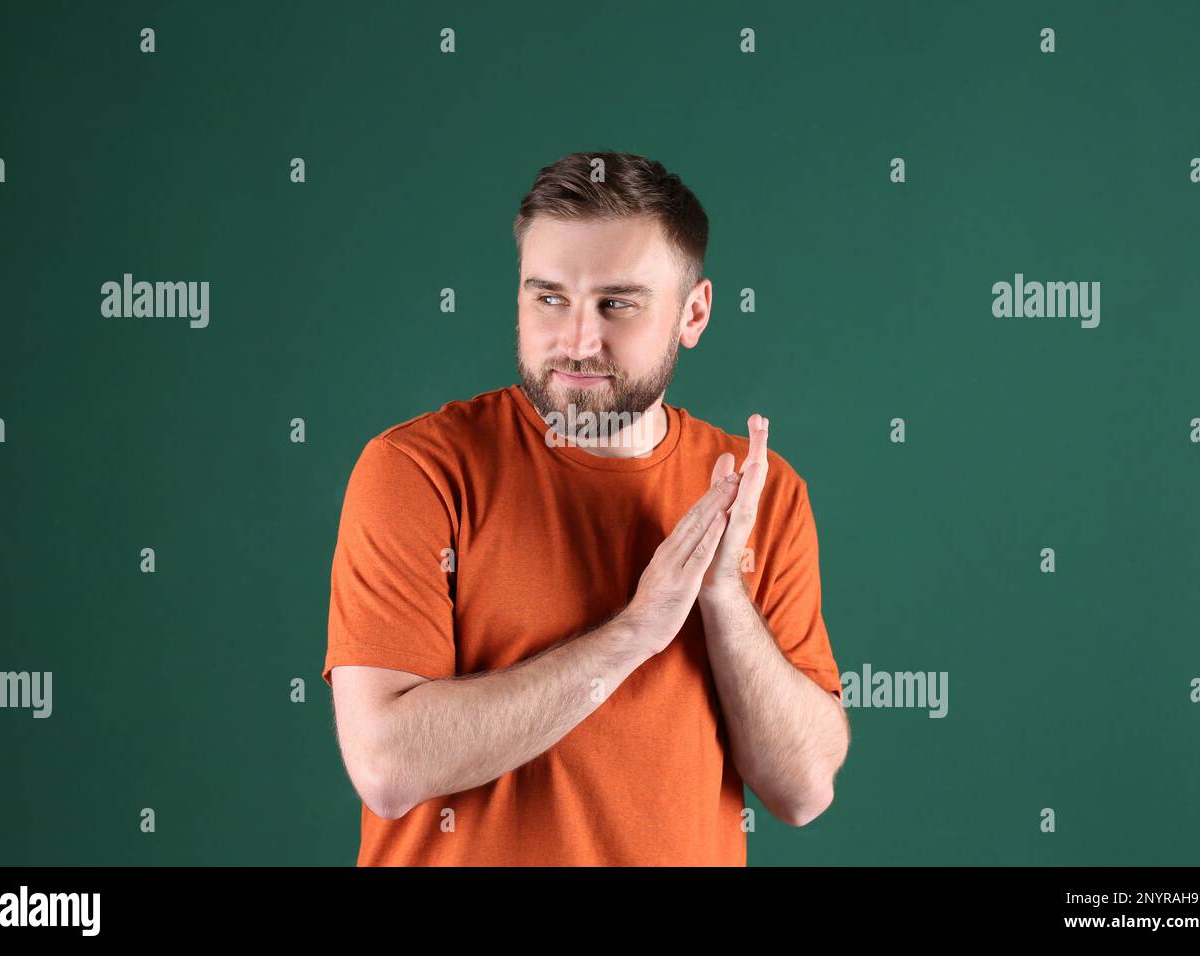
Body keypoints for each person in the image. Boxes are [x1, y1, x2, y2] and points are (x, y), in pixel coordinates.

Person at [322, 151, 849, 866]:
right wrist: (635, 632)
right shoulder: (418, 471)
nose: (576, 340)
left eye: (616, 303)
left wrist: (723, 597)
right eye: (548, 298)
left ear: (693, 313)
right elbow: (387, 768)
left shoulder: (760, 491)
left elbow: (805, 788)